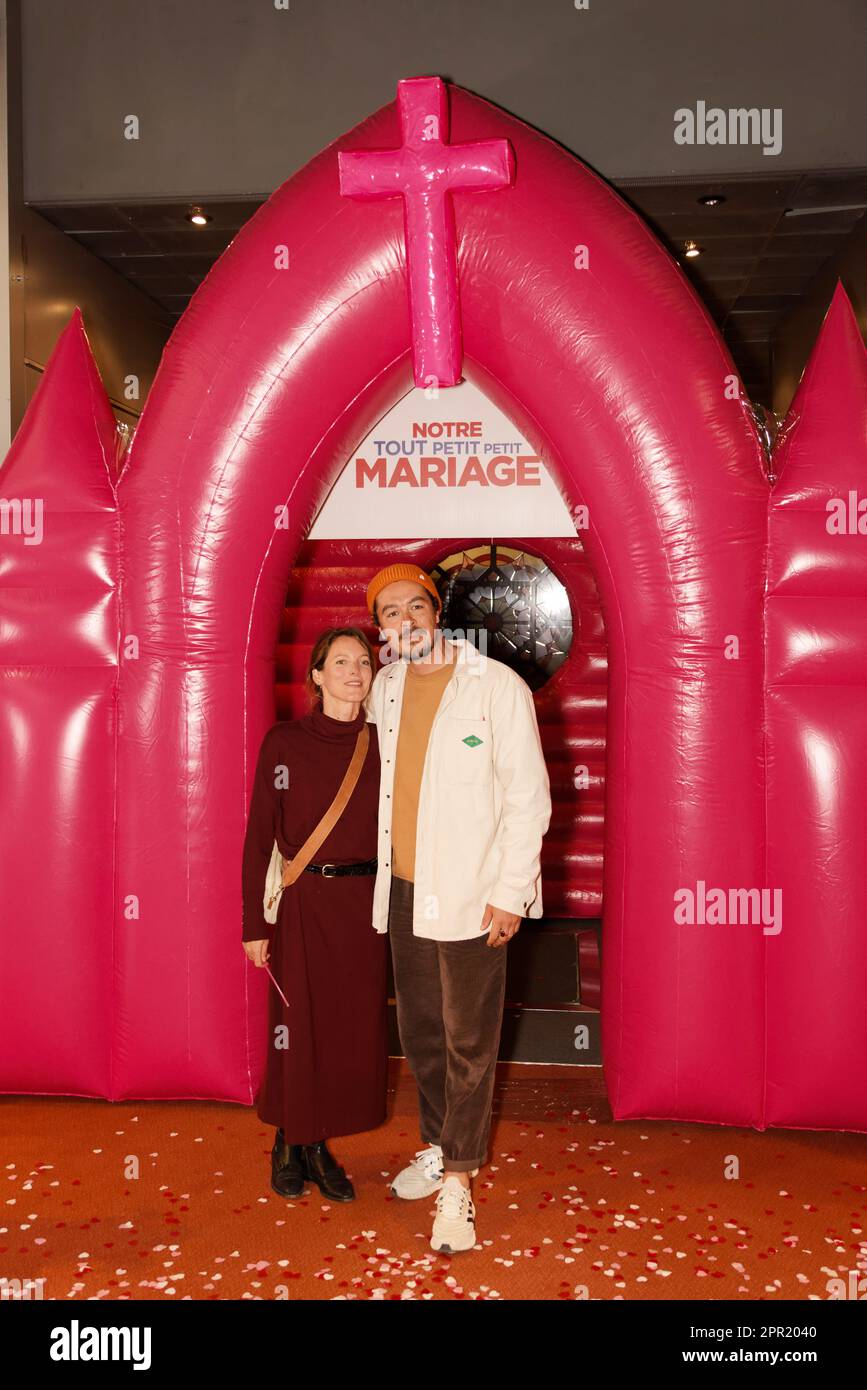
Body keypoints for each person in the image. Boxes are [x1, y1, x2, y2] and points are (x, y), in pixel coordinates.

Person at [365, 563, 552, 1254]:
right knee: (419, 1033)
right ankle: (440, 1146)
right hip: (405, 890)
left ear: (436, 611)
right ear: (379, 626)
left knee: (467, 1039)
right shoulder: (383, 688)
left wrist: (510, 892)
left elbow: (526, 798)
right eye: (388, 612)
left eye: (414, 606)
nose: (403, 621)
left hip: (474, 892)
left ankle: (460, 1184)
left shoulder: (495, 687)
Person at [241, 628, 387, 1203]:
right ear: (318, 677)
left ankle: (314, 1141)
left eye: (363, 662)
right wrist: (254, 923)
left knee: (348, 1031)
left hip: (366, 907)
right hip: (302, 902)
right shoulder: (284, 742)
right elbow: (257, 840)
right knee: (295, 1028)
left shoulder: (384, 743)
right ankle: (292, 1140)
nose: (355, 671)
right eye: (341, 662)